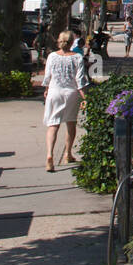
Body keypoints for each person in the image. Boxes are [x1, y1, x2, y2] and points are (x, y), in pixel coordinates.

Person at [42, 30, 87, 172]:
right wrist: (86, 96)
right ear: (72, 41)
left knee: (53, 124)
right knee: (71, 122)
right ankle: (68, 153)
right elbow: (80, 80)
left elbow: (47, 76)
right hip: (71, 93)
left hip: (55, 91)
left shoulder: (51, 56)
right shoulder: (77, 57)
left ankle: (49, 155)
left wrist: (47, 88)